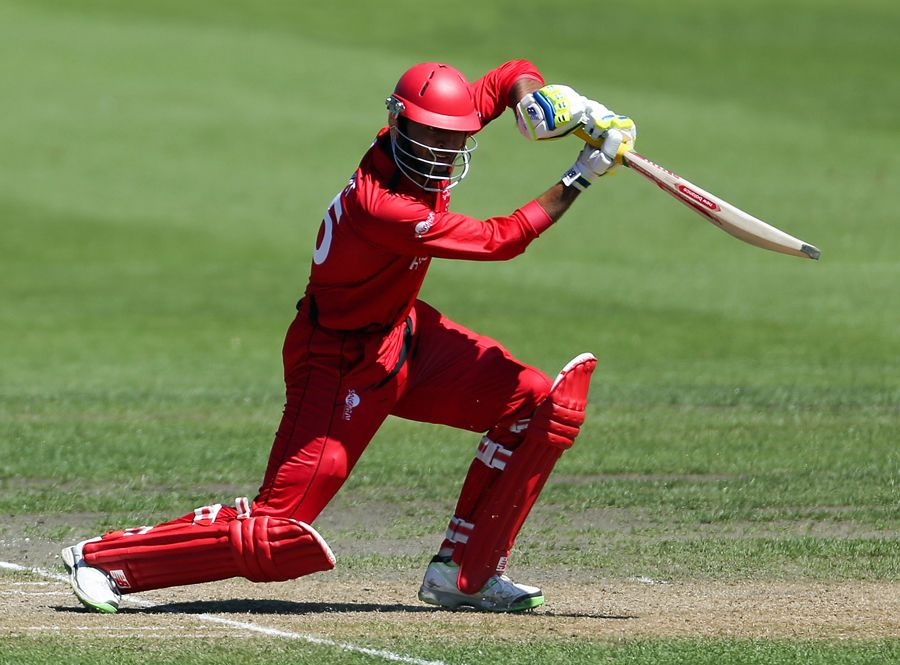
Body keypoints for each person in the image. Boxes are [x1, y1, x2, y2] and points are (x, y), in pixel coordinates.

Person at [62, 60, 636, 613]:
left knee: (535, 405)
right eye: (427, 139)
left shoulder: (428, 139)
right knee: (277, 528)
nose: (439, 154)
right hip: (336, 362)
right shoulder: (380, 205)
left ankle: (466, 574)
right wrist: (579, 175)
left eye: (451, 140)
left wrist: (542, 102)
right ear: (397, 127)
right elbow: (499, 240)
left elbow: (510, 72)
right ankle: (107, 560)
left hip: (404, 335)